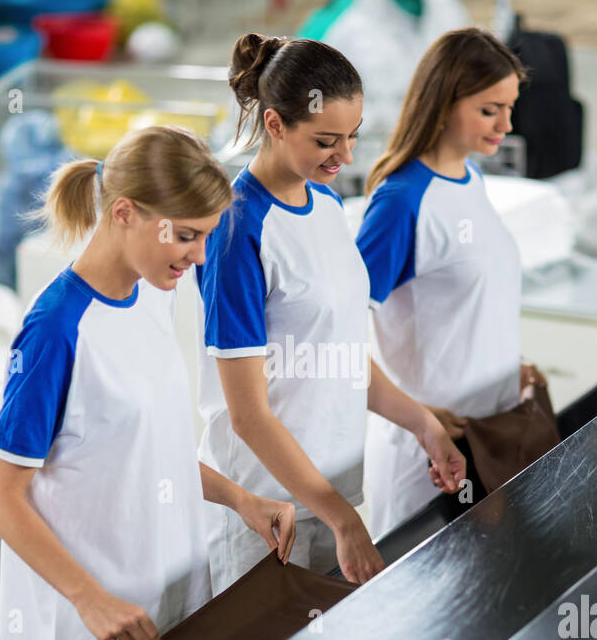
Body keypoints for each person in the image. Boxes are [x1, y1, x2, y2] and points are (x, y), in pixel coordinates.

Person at [0, 126, 296, 640]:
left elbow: (146, 450)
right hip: (96, 637)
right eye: (186, 236)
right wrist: (89, 598)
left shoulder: (154, 290)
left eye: (205, 237)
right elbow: (2, 497)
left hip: (174, 603)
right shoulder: (56, 331)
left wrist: (240, 498)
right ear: (123, 212)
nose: (199, 256)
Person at [196, 33, 467, 592]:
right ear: (274, 125)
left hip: (334, 493)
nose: (344, 157)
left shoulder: (326, 204)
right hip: (269, 512)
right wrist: (342, 517)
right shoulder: (237, 229)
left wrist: (424, 424)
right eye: (325, 140)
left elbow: (342, 357)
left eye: (352, 138)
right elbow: (247, 415)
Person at [357, 27, 547, 539]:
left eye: (510, 107)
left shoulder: (470, 179)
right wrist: (417, 416)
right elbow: (337, 334)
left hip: (490, 438)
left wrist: (507, 364)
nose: (507, 124)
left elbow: (466, 303)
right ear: (444, 102)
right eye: (490, 110)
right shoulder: (401, 202)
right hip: (427, 462)